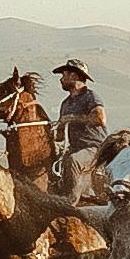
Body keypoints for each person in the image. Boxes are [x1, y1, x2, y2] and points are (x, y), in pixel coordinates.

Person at [53, 58, 109, 196]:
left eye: (64, 75)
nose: (61, 79)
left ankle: (70, 201)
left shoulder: (90, 96)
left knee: (74, 161)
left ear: (74, 76)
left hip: (95, 148)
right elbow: (60, 137)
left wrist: (71, 118)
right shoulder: (65, 103)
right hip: (75, 148)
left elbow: (100, 119)